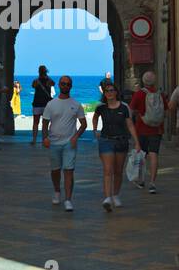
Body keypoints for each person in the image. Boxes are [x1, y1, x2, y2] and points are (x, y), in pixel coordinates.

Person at [42, 75, 86, 211]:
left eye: (67, 84)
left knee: (69, 171)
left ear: (71, 86)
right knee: (55, 170)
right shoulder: (51, 104)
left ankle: (68, 199)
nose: (65, 86)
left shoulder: (76, 105)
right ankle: (56, 191)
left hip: (69, 143)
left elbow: (83, 124)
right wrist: (45, 138)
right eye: (63, 83)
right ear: (59, 85)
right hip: (54, 142)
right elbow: (45, 123)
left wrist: (76, 137)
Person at [93, 81, 139, 212]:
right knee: (108, 170)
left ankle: (115, 194)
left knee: (118, 171)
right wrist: (95, 130)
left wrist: (137, 142)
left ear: (116, 92)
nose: (109, 93)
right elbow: (95, 118)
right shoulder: (101, 107)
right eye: (107, 91)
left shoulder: (124, 108)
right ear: (104, 93)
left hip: (121, 141)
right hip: (106, 140)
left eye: (112, 90)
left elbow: (130, 125)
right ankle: (107, 198)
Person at [128, 70, 168, 194]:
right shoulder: (160, 94)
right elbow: (166, 110)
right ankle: (152, 183)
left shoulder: (139, 94)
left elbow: (131, 110)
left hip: (141, 128)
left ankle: (141, 180)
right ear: (154, 81)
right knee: (154, 154)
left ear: (143, 81)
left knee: (142, 155)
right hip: (157, 129)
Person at [30, 66, 54, 146]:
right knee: (45, 123)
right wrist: (47, 77)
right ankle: (45, 140)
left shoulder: (36, 81)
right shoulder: (49, 81)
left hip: (37, 103)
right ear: (46, 71)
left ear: (38, 72)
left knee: (36, 122)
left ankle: (34, 140)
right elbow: (53, 83)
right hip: (46, 104)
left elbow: (33, 86)